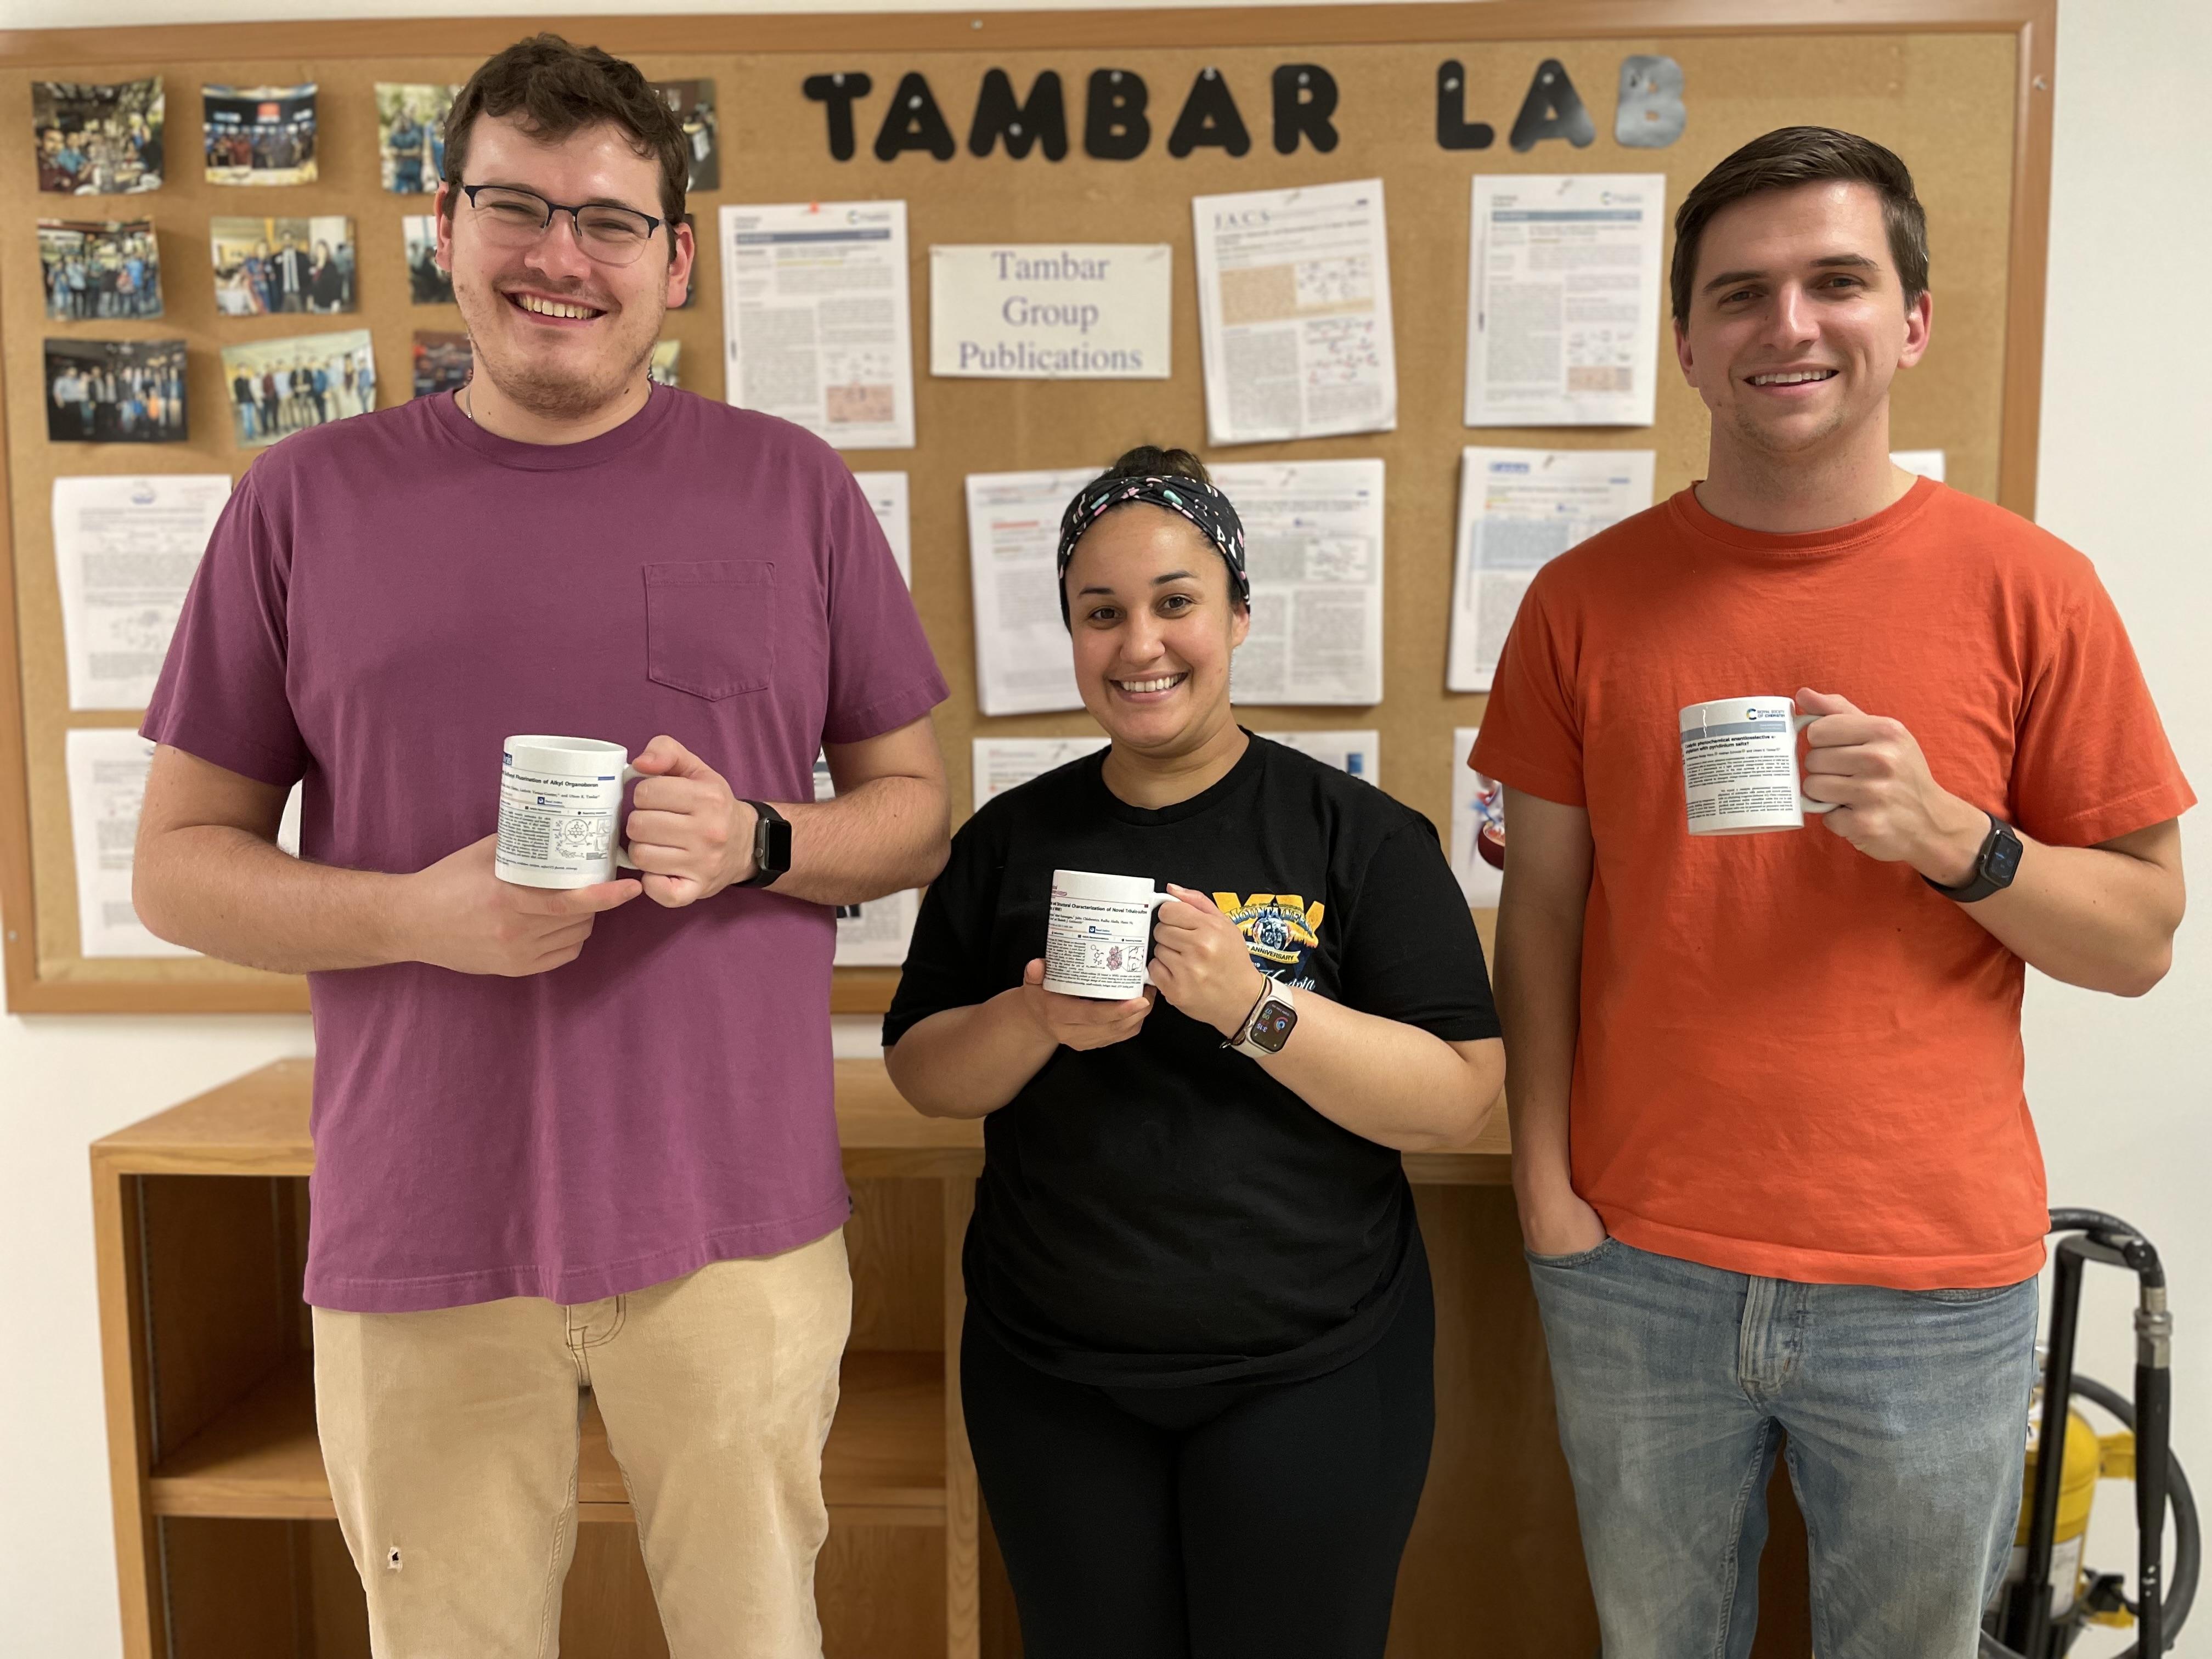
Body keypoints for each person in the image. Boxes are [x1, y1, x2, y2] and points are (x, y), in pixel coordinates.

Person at [134, 31, 950, 1659]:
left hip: (733, 1224)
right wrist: (411, 915)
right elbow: (175, 863)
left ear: (677, 258)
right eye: (516, 208)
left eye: (609, 220)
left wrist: (763, 838)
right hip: (422, 1222)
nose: (560, 258)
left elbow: (917, 813)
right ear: (446, 231)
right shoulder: (305, 502)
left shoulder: (792, 492)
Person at [1475, 126, 2193, 1656]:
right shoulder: (1581, 600)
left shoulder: (2032, 590)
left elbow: (2139, 940)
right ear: (1686, 341)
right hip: (1636, 1263)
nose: (1787, 326)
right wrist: (1546, 1195)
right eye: (1740, 294)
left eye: (1836, 282)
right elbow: (1538, 911)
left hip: (1933, 1277)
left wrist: (1958, 840)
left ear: (1912, 322)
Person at [884, 449, 1504, 1659]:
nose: (1140, 645)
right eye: (1100, 613)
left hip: (1314, 1369)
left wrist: (1255, 1009)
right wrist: (1031, 1023)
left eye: (1176, 603)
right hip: (1052, 1372)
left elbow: (1459, 1097)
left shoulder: (1359, 836)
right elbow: (922, 1070)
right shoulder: (1011, 840)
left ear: (1238, 616)